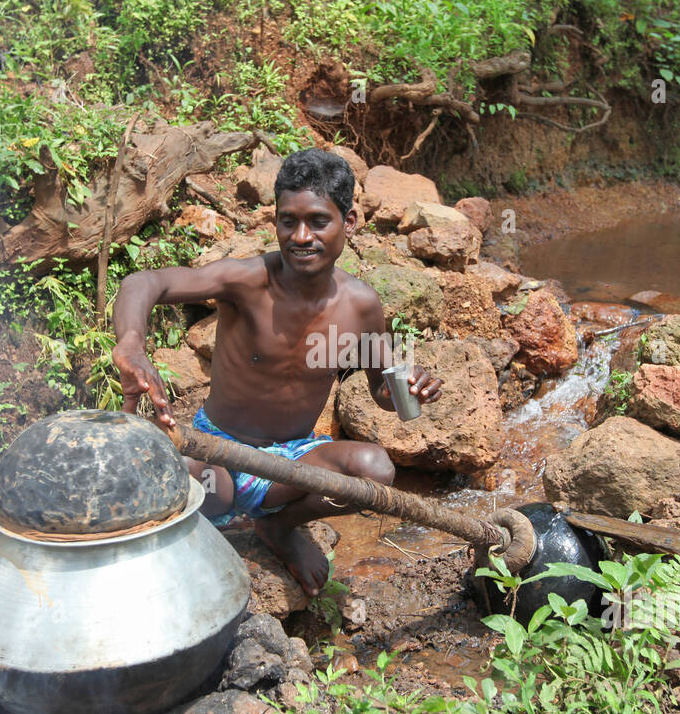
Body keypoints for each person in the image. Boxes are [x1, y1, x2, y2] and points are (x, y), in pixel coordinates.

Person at [112, 148, 442, 596]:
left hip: (294, 464)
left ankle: (281, 527)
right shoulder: (247, 282)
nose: (301, 236)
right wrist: (131, 342)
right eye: (288, 221)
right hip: (222, 455)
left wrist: (411, 386)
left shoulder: (361, 306)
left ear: (350, 220)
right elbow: (144, 282)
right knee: (176, 482)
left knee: (375, 470)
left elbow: (386, 392)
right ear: (276, 223)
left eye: (318, 221)